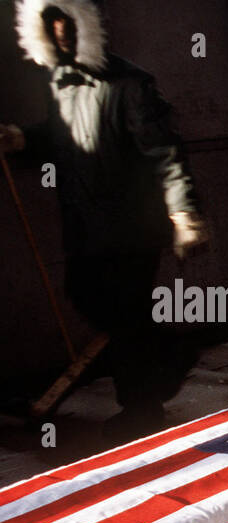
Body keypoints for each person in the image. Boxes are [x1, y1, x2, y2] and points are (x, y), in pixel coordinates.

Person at [0, 0, 210, 437]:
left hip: (134, 227)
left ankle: (142, 409)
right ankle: (173, 353)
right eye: (51, 26)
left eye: (68, 25)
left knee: (126, 316)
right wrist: (23, 139)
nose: (61, 35)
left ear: (86, 25)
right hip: (85, 226)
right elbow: (62, 136)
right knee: (87, 296)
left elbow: (165, 153)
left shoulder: (131, 83)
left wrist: (183, 212)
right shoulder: (61, 81)